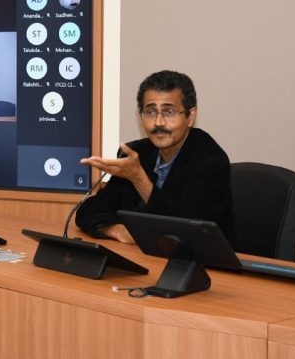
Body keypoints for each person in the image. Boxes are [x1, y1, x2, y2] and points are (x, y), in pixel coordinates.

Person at [75, 70, 233, 245]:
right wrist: (115, 229)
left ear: (190, 116)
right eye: (150, 112)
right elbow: (89, 210)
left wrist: (138, 177)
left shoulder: (210, 161)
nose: (158, 122)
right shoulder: (139, 152)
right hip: (148, 260)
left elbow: (187, 233)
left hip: (207, 267)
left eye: (169, 112)